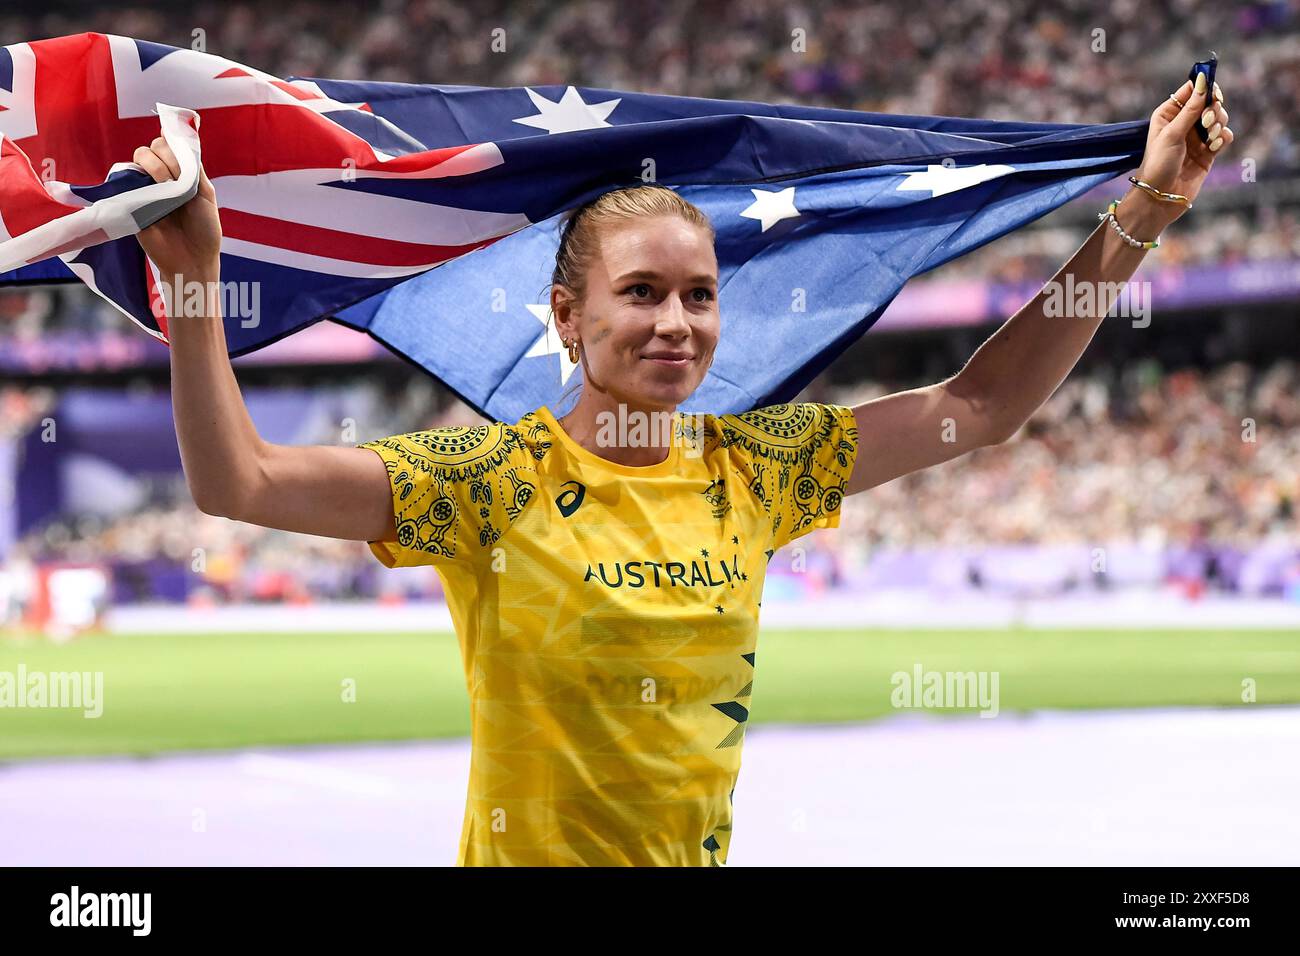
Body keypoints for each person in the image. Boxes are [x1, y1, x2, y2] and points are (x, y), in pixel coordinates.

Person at [131, 74, 1231, 865]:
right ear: (567, 316)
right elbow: (244, 482)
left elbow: (978, 407)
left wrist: (1142, 212)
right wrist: (195, 288)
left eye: (699, 294)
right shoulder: (488, 479)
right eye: (642, 293)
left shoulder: (758, 468)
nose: (676, 324)